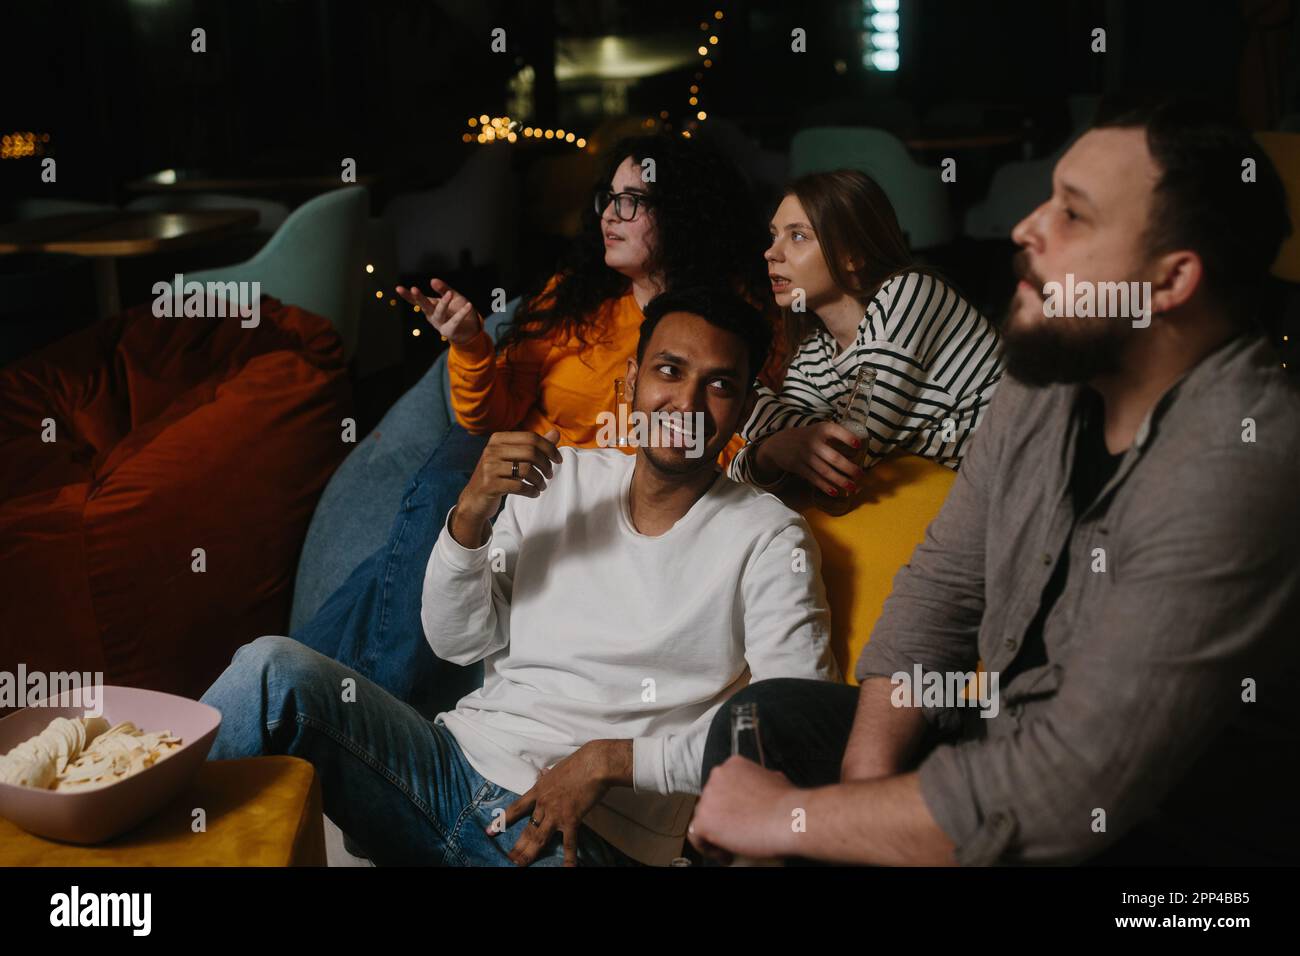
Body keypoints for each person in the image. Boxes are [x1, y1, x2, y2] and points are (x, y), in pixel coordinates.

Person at [690, 98, 1300, 866]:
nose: (1026, 228)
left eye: (1072, 215)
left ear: (1172, 279)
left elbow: (1072, 788)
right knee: (767, 721)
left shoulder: (1240, 461)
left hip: (1152, 839)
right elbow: (941, 592)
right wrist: (852, 794)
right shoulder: (1043, 385)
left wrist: (796, 821)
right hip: (1000, 732)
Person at [200, 287, 838, 866]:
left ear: (747, 405)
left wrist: (610, 760)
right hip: (445, 771)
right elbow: (457, 642)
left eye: (720, 385)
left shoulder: (768, 536)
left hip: (582, 837)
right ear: (633, 379)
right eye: (669, 371)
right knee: (270, 670)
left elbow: (793, 729)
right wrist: (471, 515)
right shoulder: (563, 479)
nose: (688, 403)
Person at [293, 134, 776, 713]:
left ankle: (335, 716)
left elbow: (722, 440)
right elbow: (489, 418)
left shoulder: (722, 331)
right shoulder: (574, 300)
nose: (609, 215)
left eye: (632, 201)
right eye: (607, 198)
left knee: (396, 560)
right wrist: (472, 345)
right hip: (506, 485)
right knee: (444, 487)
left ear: (684, 212)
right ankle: (301, 704)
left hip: (582, 507)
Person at [729, 169, 1004, 503]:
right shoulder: (812, 356)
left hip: (1023, 487)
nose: (771, 253)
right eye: (773, 236)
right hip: (948, 507)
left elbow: (846, 454)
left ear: (852, 255)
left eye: (798, 236)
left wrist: (742, 398)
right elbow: (750, 480)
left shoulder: (912, 294)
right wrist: (775, 450)